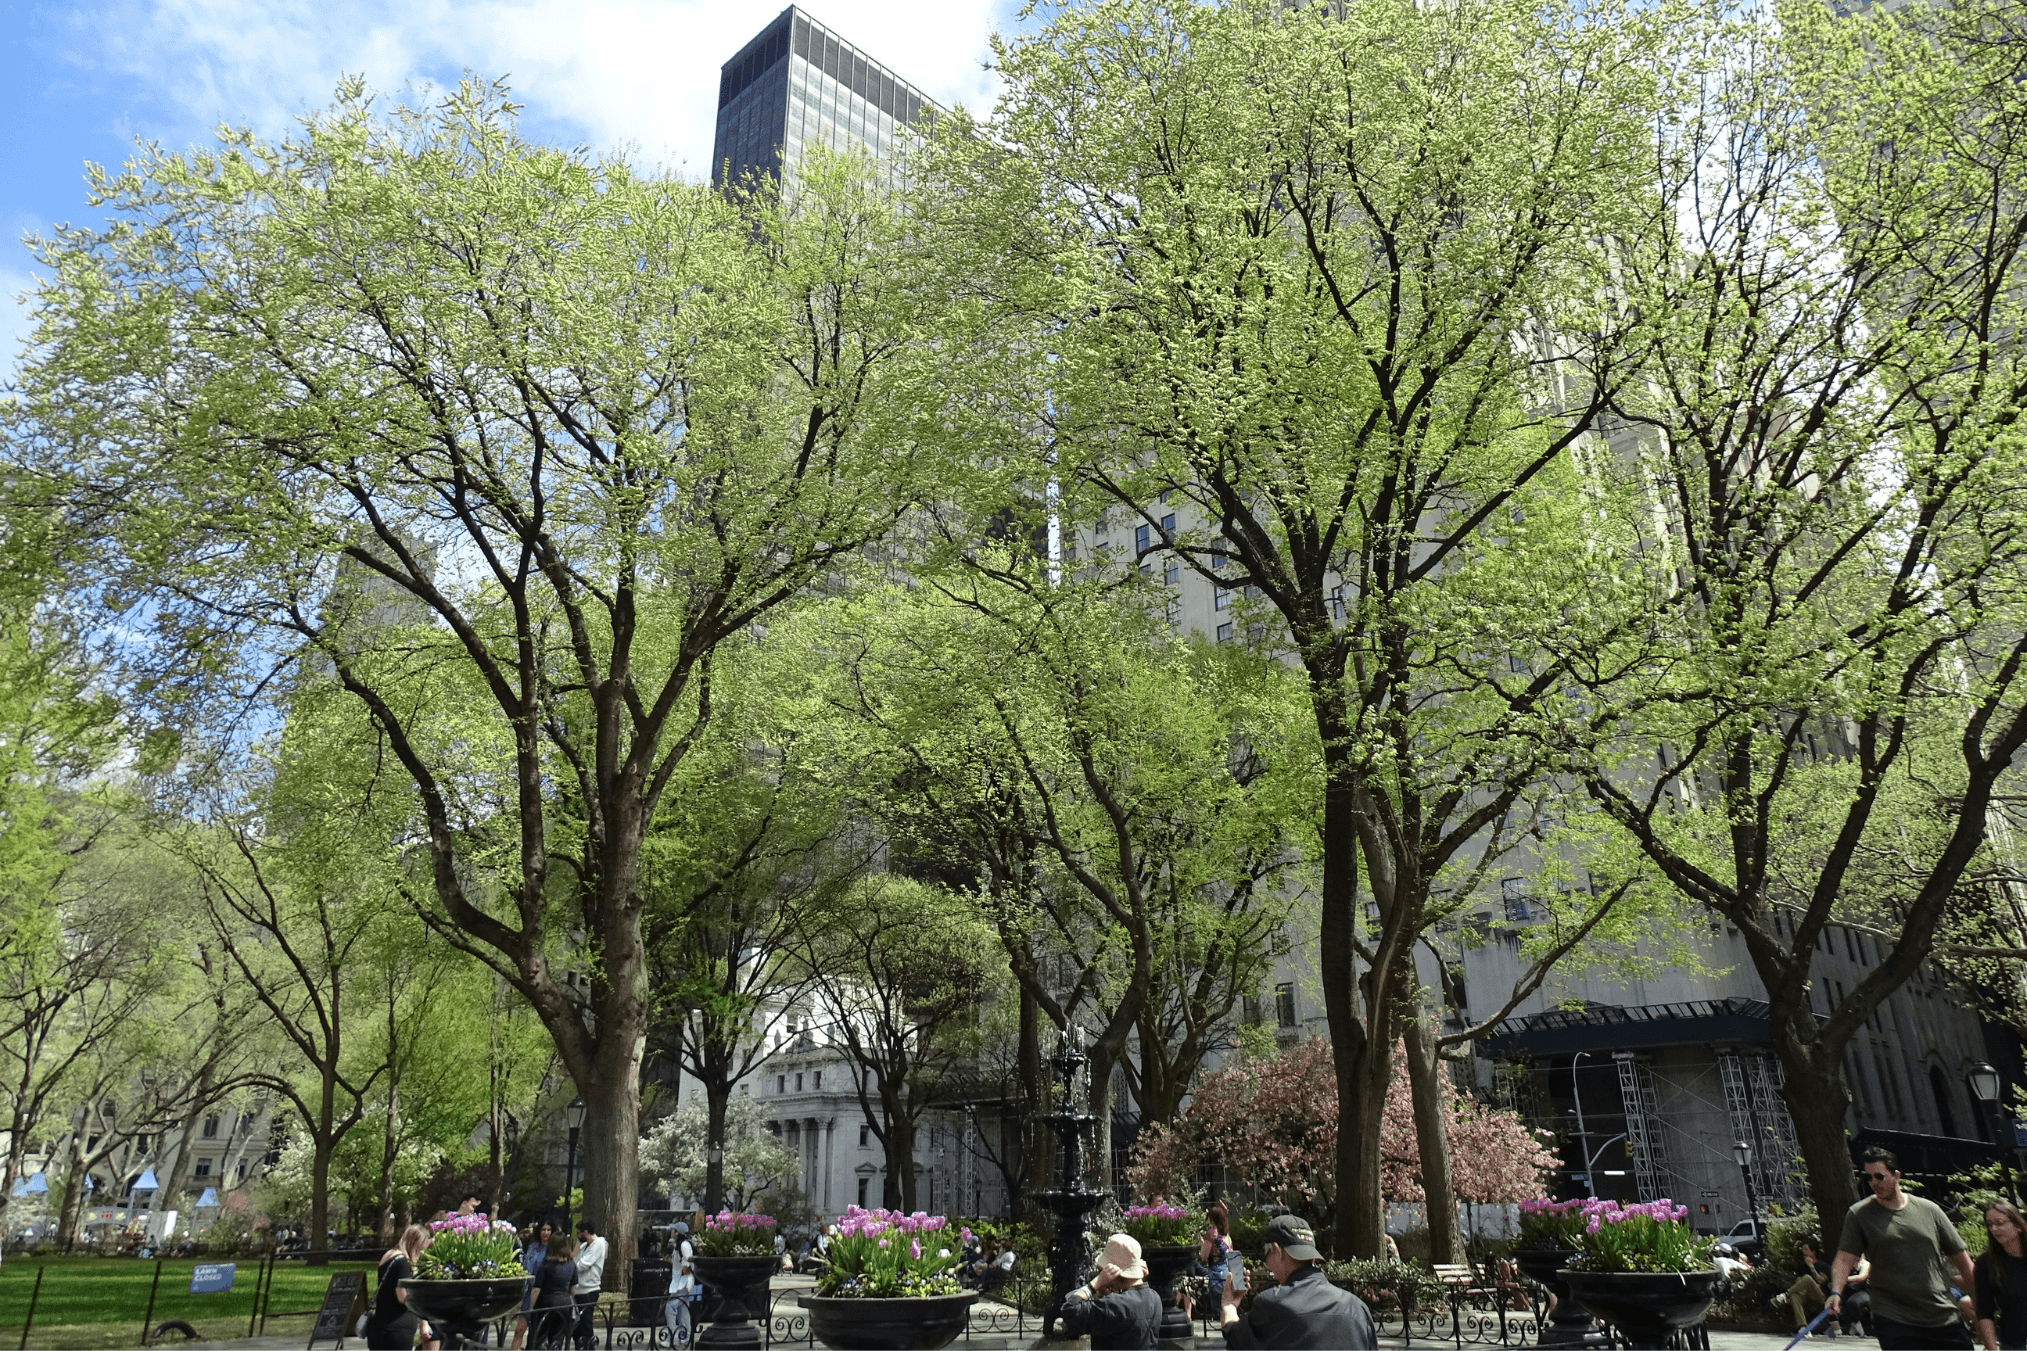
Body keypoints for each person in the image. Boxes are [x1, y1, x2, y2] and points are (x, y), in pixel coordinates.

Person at [1828, 1147, 1976, 1350]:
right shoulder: (1859, 1215)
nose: (1874, 1183)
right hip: (1894, 1319)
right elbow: (1844, 1258)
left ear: (1896, 1175)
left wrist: (1980, 1300)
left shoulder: (1929, 1210)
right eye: (1868, 1177)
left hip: (1942, 1314)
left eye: (1879, 1176)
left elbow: (1962, 1259)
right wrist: (1836, 1292)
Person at [1218, 1213, 1376, 1350]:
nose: (1267, 1264)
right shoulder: (1358, 1308)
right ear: (1312, 1255)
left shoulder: (1271, 1303)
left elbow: (1235, 1339)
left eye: (1266, 1254)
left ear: (1277, 1251)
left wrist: (1229, 1305)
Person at [1057, 1232, 1162, 1349]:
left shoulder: (1113, 1304)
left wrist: (1096, 1283)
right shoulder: (1155, 1298)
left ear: (1114, 1272)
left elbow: (1069, 1309)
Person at [367, 1224, 435, 1350]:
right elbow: (402, 1297)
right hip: (397, 1329)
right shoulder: (403, 1263)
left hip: (379, 1324)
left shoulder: (388, 1255)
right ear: (416, 1243)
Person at [1976, 1202, 2027, 1351]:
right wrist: (1992, 1347)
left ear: (2018, 1225)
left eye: (1999, 1223)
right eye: (1990, 1224)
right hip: (2014, 1343)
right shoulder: (1986, 1263)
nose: (1994, 1229)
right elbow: (1984, 1310)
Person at [1183, 1204, 1237, 1319]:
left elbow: (1203, 1256)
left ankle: (1187, 1312)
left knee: (1188, 1268)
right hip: (1227, 1272)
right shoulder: (1226, 1235)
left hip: (1215, 1274)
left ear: (1211, 1218)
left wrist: (1202, 1244)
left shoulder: (1212, 1232)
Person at [510, 1221, 554, 1350]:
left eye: (549, 1230)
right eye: (543, 1229)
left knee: (538, 1333)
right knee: (519, 1329)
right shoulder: (533, 1247)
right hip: (529, 1291)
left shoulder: (553, 1249)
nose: (545, 1233)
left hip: (543, 1293)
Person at [531, 1236, 578, 1349]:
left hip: (546, 1304)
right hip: (564, 1304)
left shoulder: (545, 1265)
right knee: (557, 1338)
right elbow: (575, 1286)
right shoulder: (571, 1265)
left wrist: (531, 1308)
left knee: (539, 1336)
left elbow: (536, 1289)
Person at [572, 1219, 608, 1351]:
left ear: (585, 1232)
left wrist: (570, 1268)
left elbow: (582, 1265)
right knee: (577, 1325)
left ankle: (588, 1347)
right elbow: (574, 1259)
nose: (577, 1236)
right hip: (578, 1289)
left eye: (579, 1233)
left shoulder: (598, 1244)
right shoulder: (584, 1245)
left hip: (589, 1289)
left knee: (585, 1324)